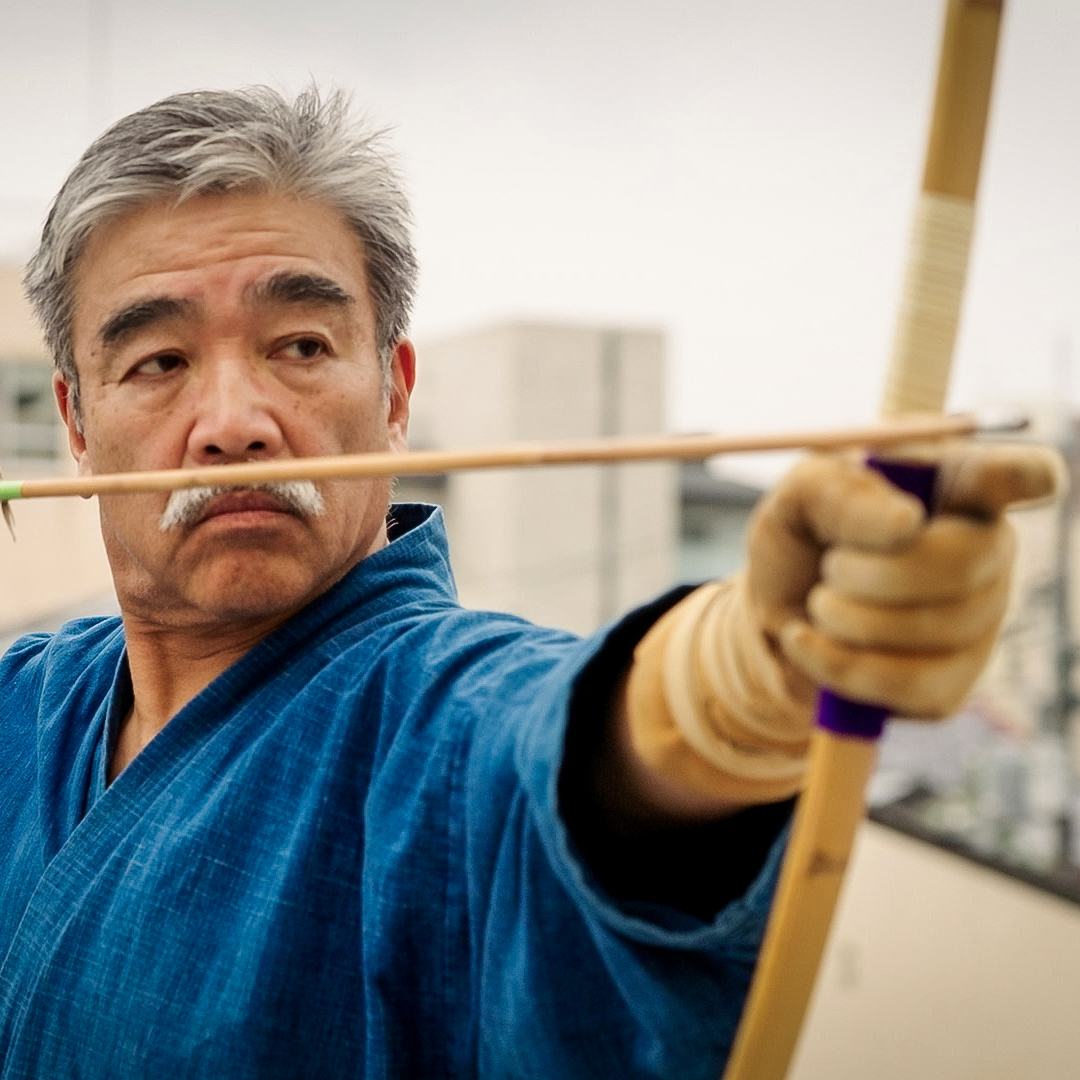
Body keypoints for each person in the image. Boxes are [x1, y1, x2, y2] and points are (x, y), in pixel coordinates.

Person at [0, 86, 1058, 1078]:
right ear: (79, 427)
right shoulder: (25, 701)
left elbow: (572, 739)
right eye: (159, 363)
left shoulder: (444, 717)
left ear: (394, 392)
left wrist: (754, 667)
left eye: (302, 344)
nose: (234, 423)